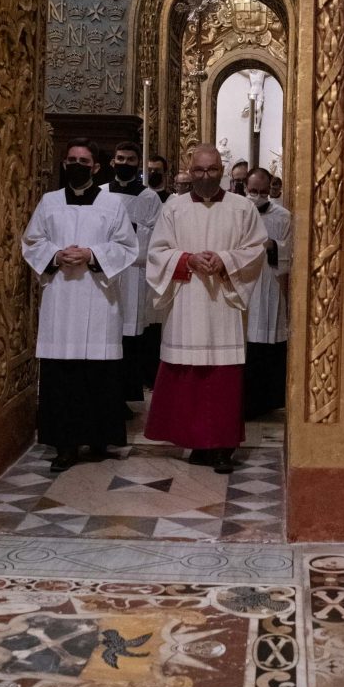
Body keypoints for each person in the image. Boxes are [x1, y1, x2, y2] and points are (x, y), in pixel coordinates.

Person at [145, 143, 267, 473]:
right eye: (198, 170)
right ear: (189, 170)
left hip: (223, 303)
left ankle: (223, 447)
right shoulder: (174, 207)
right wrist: (187, 259)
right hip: (187, 297)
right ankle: (197, 443)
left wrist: (225, 260)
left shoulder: (242, 208)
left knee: (222, 377)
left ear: (222, 171)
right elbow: (157, 252)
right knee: (189, 373)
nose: (205, 176)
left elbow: (257, 249)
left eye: (212, 170)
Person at [21, 139, 137, 473]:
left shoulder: (113, 204)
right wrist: (56, 255)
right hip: (62, 296)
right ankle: (65, 443)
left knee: (98, 374)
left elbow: (127, 246)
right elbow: (32, 241)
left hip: (99, 297)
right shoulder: (49, 201)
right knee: (63, 377)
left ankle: (99, 437)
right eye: (71, 159)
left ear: (96, 167)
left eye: (83, 161)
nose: (76, 165)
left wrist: (92, 255)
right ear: (63, 164)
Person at [106, 139, 161, 409]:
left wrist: (129, 231)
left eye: (129, 159)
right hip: (105, 273)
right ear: (112, 161)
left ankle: (126, 396)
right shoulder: (101, 193)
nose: (124, 163)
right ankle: (107, 394)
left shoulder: (149, 197)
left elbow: (156, 235)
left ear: (138, 164)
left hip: (134, 275)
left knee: (130, 338)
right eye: (120, 158)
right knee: (107, 333)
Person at [243, 166, 291, 418]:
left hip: (270, 284)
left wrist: (274, 246)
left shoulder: (282, 216)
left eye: (262, 191)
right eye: (253, 191)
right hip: (243, 285)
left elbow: (289, 251)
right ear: (244, 188)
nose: (257, 196)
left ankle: (266, 400)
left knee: (267, 341)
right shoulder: (236, 213)